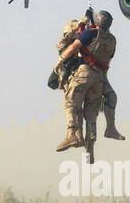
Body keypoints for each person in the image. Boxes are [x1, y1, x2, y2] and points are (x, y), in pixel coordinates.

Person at [52, 14, 124, 146]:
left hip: (85, 73)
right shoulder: (112, 40)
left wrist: (58, 63)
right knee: (91, 111)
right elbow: (107, 60)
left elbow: (73, 47)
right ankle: (92, 140)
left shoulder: (90, 33)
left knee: (71, 104)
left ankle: (72, 134)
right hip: (100, 77)